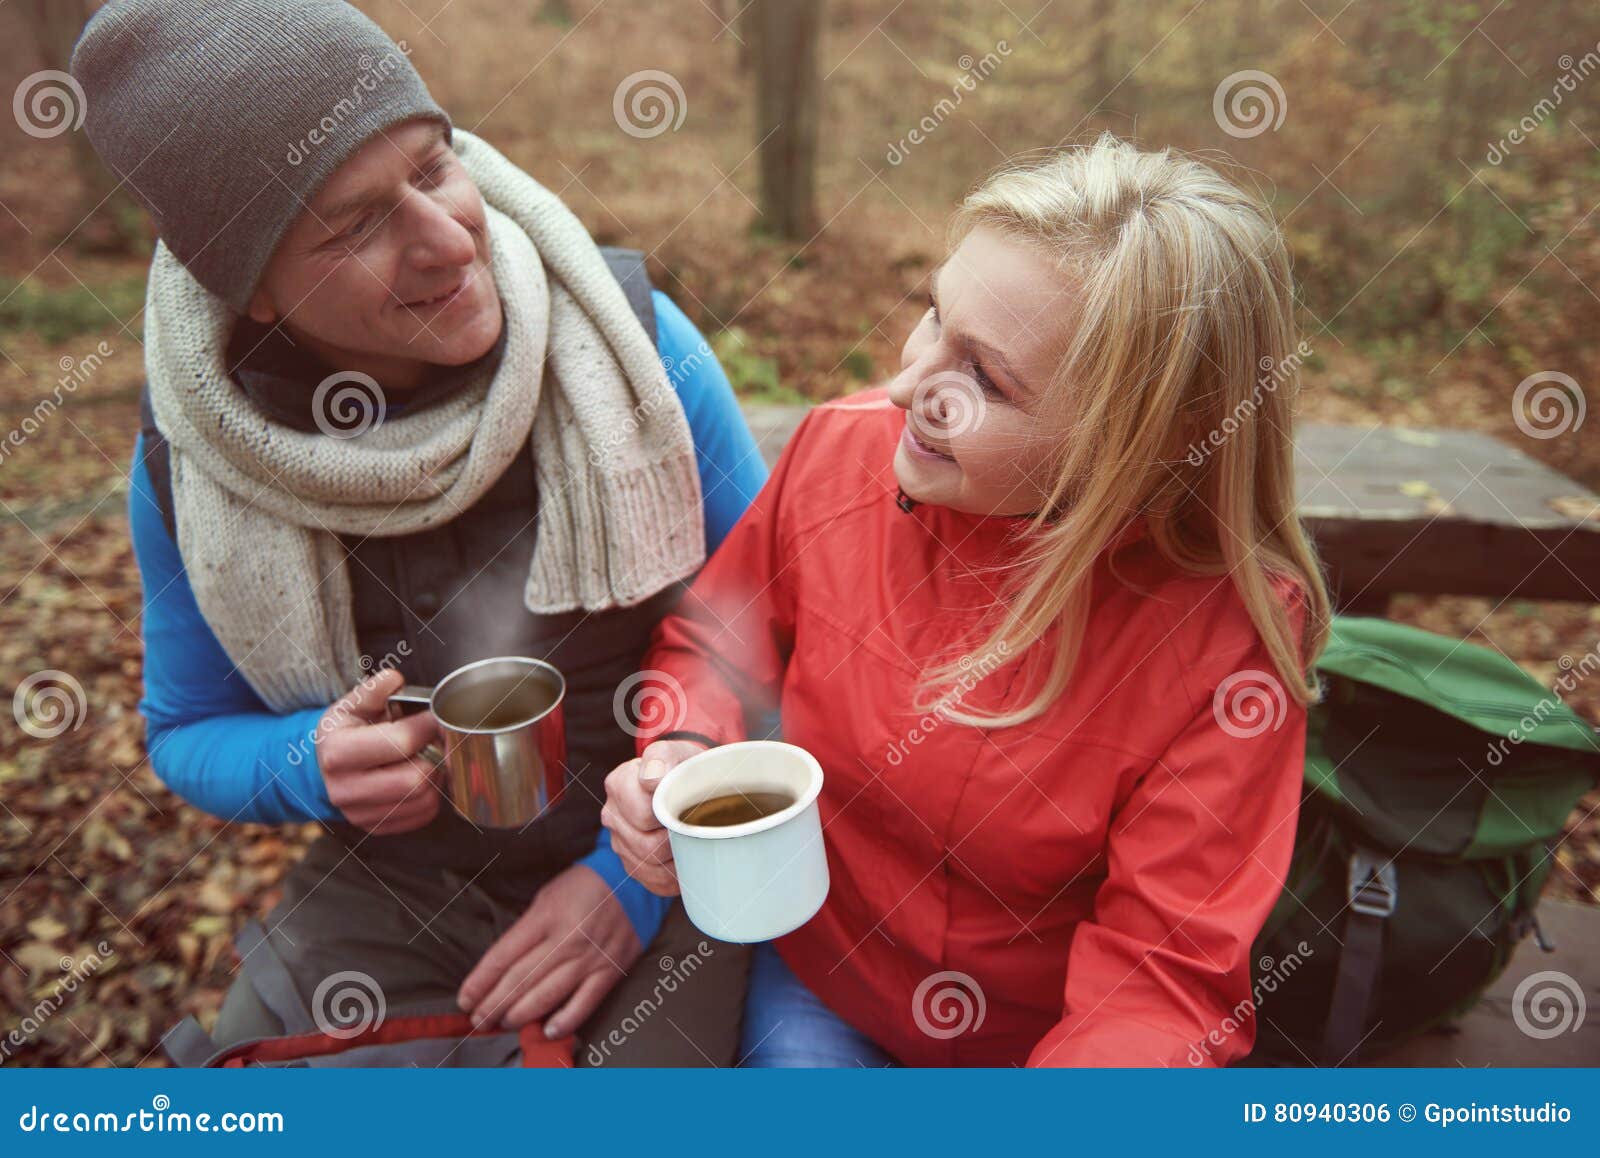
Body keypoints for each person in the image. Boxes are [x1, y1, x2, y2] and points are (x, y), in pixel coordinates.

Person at [72, 0, 765, 1066]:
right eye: (354, 225)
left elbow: (781, 617)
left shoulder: (632, 350)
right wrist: (309, 763)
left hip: (671, 839)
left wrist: (625, 884)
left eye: (437, 168)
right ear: (248, 290)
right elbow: (185, 731)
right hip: (394, 891)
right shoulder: (199, 462)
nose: (451, 240)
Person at [602, 135, 1332, 1067]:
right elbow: (717, 639)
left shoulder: (1227, 639)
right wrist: (683, 747)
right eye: (931, 316)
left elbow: (1162, 983)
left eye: (984, 379)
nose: (907, 388)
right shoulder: (839, 453)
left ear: (1147, 438)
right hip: (827, 977)